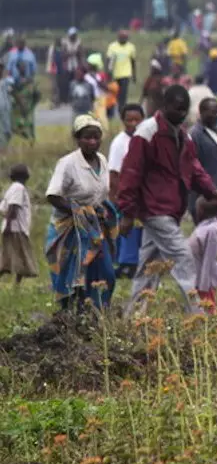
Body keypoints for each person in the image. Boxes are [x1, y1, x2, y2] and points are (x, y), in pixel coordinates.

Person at [118, 85, 217, 316]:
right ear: (165, 106)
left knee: (149, 267)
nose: (181, 113)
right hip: (154, 209)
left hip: (171, 209)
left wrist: (211, 191)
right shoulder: (147, 133)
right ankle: (199, 317)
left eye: (184, 110)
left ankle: (133, 317)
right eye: (177, 109)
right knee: (184, 258)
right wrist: (127, 212)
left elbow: (194, 168)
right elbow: (131, 173)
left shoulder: (182, 134)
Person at [45, 116, 119, 312]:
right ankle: (71, 315)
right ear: (78, 138)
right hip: (70, 228)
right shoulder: (68, 163)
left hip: (94, 228)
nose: (92, 142)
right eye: (87, 137)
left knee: (106, 273)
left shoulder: (102, 160)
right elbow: (53, 195)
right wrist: (77, 212)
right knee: (73, 275)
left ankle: (99, 312)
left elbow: (102, 193)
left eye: (96, 137)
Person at [108, 104, 145, 280]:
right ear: (123, 121)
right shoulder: (119, 143)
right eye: (129, 120)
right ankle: (126, 264)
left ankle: (139, 262)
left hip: (142, 195)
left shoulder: (145, 139)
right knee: (127, 229)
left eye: (137, 119)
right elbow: (114, 173)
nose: (134, 123)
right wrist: (115, 197)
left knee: (140, 230)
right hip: (125, 195)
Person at [188, 98, 217, 231]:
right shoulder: (195, 135)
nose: (216, 116)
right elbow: (193, 167)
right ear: (202, 112)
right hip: (204, 198)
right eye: (213, 112)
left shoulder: (214, 132)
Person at [0, 164, 37, 284]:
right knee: (18, 258)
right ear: (25, 176)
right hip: (16, 229)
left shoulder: (12, 188)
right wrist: (9, 226)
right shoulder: (18, 188)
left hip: (13, 228)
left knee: (12, 259)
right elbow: (13, 207)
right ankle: (16, 286)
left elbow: (4, 209)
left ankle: (17, 286)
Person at [189, 196, 217, 312]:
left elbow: (210, 259)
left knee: (207, 311)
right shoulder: (203, 227)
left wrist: (203, 285)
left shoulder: (212, 230)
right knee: (198, 310)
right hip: (197, 278)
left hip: (205, 282)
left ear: (202, 211)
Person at [106, 30, 137, 116]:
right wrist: (107, 74)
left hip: (125, 74)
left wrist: (134, 75)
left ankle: (121, 112)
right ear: (118, 37)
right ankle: (111, 114)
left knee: (123, 96)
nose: (124, 39)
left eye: (125, 38)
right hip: (114, 75)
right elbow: (108, 61)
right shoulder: (112, 46)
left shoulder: (131, 47)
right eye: (122, 37)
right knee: (113, 95)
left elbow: (133, 61)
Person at [9, 61, 40, 144]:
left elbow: (36, 94)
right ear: (18, 69)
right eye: (21, 67)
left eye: (24, 67)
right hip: (19, 108)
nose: (23, 68)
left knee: (30, 125)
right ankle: (24, 139)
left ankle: (31, 141)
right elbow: (13, 92)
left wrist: (33, 104)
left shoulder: (29, 80)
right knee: (17, 126)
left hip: (29, 106)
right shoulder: (15, 80)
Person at [60, 28, 82, 105]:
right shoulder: (65, 42)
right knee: (67, 83)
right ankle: (66, 99)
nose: (74, 36)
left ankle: (74, 98)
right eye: (72, 35)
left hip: (75, 66)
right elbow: (63, 55)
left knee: (75, 82)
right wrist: (70, 53)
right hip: (68, 66)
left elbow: (80, 54)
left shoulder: (78, 42)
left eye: (75, 35)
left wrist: (81, 65)